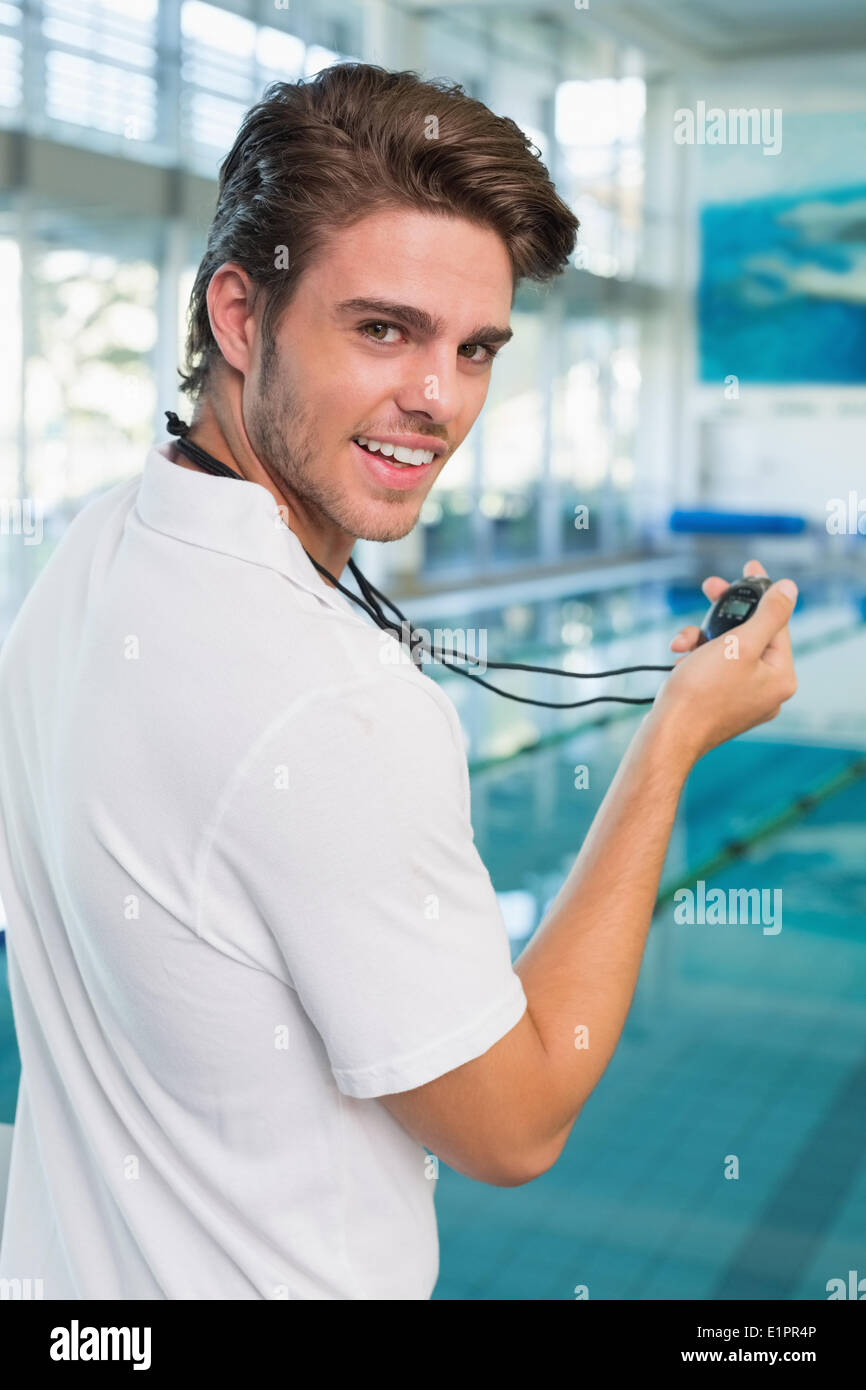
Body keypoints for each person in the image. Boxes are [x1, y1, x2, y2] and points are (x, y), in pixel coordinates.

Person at [0, 62, 798, 1301]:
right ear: (239, 314)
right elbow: (514, 1123)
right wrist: (670, 744)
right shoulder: (330, 708)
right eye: (382, 328)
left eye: (474, 348)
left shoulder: (92, 554)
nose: (436, 399)